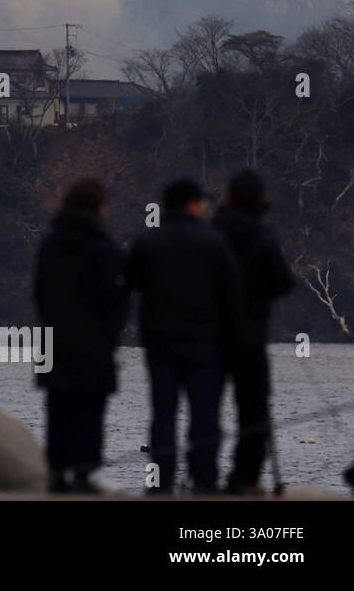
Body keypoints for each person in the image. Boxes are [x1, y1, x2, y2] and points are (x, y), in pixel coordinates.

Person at [126, 178, 244, 494]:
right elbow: (232, 295)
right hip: (205, 342)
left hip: (160, 341)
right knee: (205, 413)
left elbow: (130, 283)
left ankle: (162, 483)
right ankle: (204, 480)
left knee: (163, 413)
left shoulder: (148, 242)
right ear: (192, 203)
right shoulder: (214, 242)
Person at [33, 179, 127, 493]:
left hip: (56, 341)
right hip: (94, 343)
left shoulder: (50, 244)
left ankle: (56, 473)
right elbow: (115, 299)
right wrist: (111, 336)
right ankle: (83, 474)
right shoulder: (105, 247)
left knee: (58, 408)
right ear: (98, 206)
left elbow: (39, 293)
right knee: (90, 410)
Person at [212, 170, 294, 494]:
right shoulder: (263, 235)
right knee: (255, 410)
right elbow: (283, 283)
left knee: (207, 408)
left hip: (213, 336)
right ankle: (246, 476)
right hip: (251, 337)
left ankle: (203, 473)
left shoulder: (213, 231)